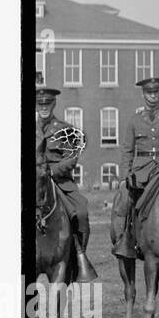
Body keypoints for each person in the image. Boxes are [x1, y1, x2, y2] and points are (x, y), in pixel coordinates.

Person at [113, 76, 159, 259]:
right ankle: (124, 240)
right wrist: (124, 177)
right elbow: (127, 150)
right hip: (140, 173)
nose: (152, 96)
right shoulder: (134, 120)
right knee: (125, 202)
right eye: (149, 93)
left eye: (155, 92)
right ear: (144, 95)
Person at [34, 84, 97, 280]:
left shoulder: (65, 129)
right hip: (34, 181)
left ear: (53, 104)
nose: (44, 108)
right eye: (40, 105)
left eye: (47, 104)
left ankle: (79, 254)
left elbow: (72, 158)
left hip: (59, 181)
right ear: (36, 106)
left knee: (82, 211)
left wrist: (51, 170)